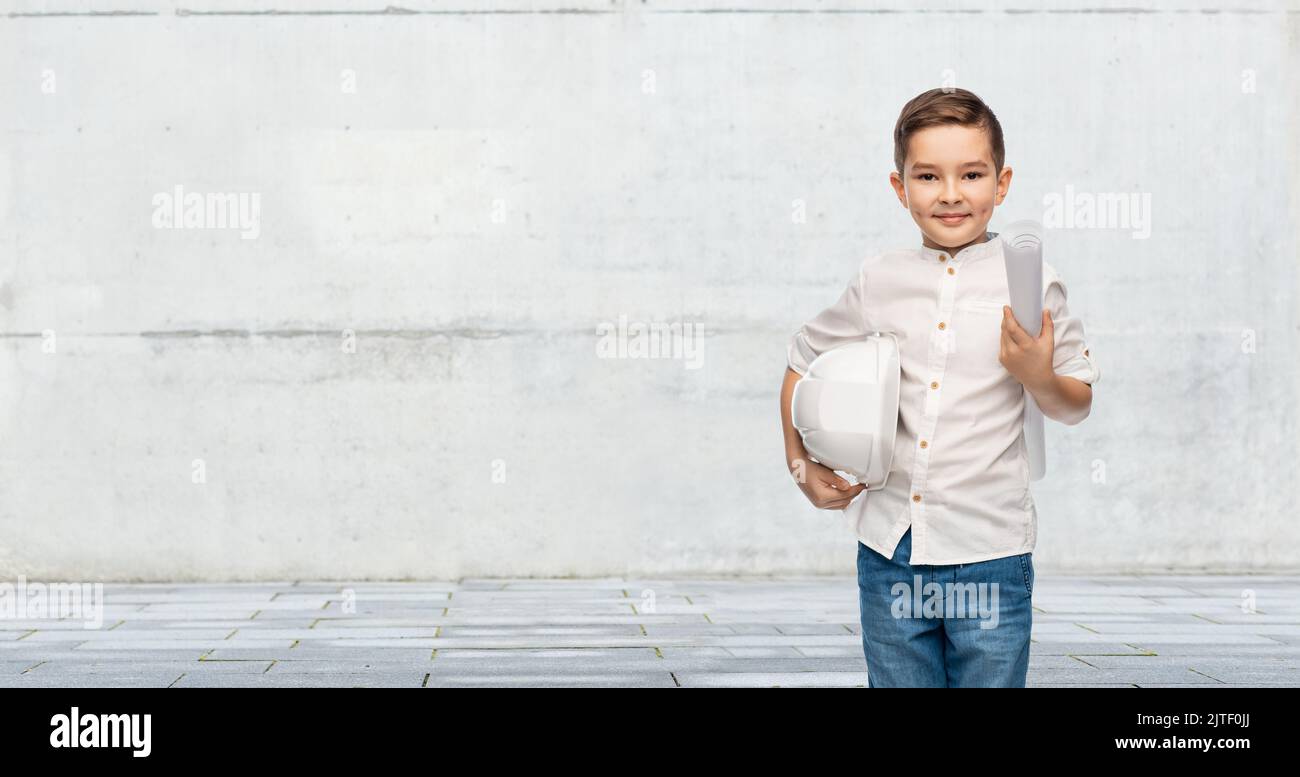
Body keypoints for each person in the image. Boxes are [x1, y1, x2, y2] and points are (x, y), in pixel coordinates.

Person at [778, 87, 1100, 687]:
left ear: (1001, 184)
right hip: (891, 549)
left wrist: (1036, 375)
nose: (951, 194)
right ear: (900, 189)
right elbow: (803, 357)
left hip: (991, 549)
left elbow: (1075, 401)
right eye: (928, 176)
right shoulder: (879, 280)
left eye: (971, 174)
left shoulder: (1034, 283)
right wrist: (799, 462)